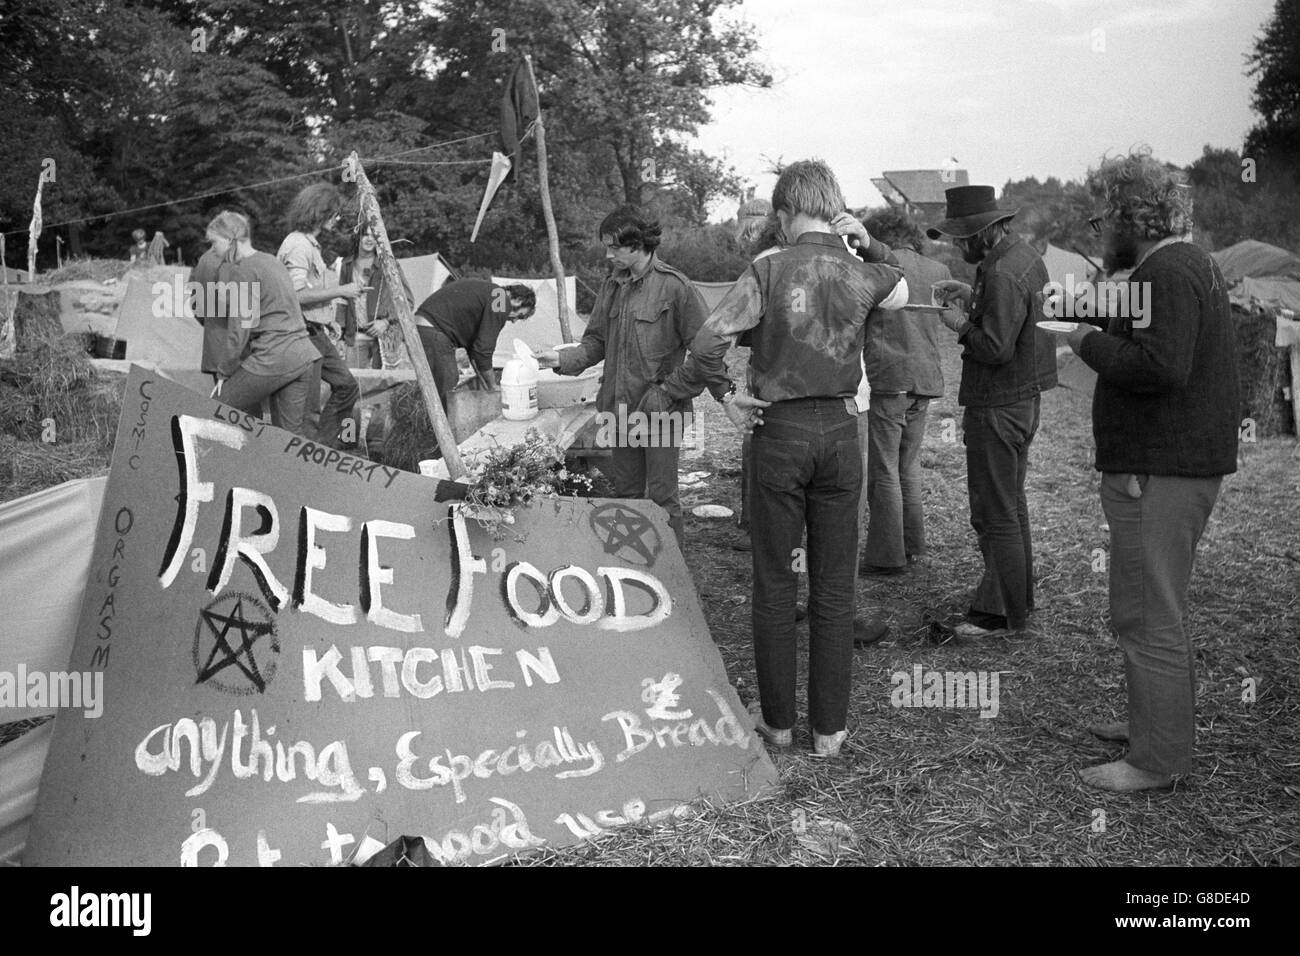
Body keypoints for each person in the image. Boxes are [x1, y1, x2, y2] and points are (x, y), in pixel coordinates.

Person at [655, 160, 908, 757]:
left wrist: (727, 393)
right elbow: (900, 289)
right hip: (845, 432)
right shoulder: (864, 270)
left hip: (781, 430)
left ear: (786, 210)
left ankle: (778, 723)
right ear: (834, 207)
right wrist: (860, 238)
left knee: (774, 580)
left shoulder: (767, 269)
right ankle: (830, 732)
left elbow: (708, 338)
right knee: (835, 585)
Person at [1065, 149, 1239, 791]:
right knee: (1153, 605)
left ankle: (1156, 760)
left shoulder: (1168, 269)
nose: (1098, 230)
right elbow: (1151, 340)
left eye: (1102, 218)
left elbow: (1163, 366)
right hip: (1171, 465)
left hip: (1158, 468)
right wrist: (1096, 315)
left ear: (1131, 215)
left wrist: (1082, 342)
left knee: (1146, 612)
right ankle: (1154, 724)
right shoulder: (1180, 264)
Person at [537, 206, 708, 546]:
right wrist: (561, 358)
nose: (607, 254)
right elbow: (596, 341)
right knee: (628, 493)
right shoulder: (612, 285)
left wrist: (668, 391)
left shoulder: (676, 288)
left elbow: (707, 351)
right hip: (619, 411)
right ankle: (635, 570)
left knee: (662, 497)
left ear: (638, 244)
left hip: (660, 413)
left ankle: (673, 577)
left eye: (614, 247)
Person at [930, 185, 1058, 639]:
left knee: (993, 513)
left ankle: (1003, 617)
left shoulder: (1002, 272)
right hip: (1024, 401)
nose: (956, 246)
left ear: (985, 231)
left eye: (961, 238)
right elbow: (1017, 315)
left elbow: (997, 347)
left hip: (998, 405)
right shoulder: (1022, 257)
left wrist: (961, 324)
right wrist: (971, 293)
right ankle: (1014, 602)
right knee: (1012, 506)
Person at [859, 206, 950, 574]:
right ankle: (913, 545)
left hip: (890, 377)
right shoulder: (939, 271)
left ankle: (886, 557)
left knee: (884, 469)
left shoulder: (879, 266)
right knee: (908, 467)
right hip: (925, 379)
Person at [206, 211, 320, 435]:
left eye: (214, 243)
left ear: (230, 240)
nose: (213, 250)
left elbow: (239, 329)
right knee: (289, 441)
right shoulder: (271, 261)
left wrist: (223, 373)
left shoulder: (244, 270)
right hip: (305, 355)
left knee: (213, 409)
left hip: (274, 356)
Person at [278, 183, 364, 449]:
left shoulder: (309, 245)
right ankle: (309, 454)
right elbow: (297, 295)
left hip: (315, 330)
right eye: (334, 213)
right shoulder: (298, 246)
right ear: (319, 212)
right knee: (308, 407)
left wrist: (327, 320)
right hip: (301, 333)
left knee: (347, 385)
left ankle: (322, 447)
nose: (337, 219)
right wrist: (344, 290)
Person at [413, 279, 537, 409]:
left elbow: (475, 350)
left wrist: (486, 384)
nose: (514, 320)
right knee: (448, 384)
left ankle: (442, 423)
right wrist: (492, 386)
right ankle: (447, 427)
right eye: (520, 316)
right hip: (433, 331)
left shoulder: (489, 293)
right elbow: (484, 348)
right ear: (518, 300)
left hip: (424, 328)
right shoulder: (501, 300)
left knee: (442, 384)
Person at [336, 226, 415, 370]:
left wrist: (385, 322)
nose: (369, 239)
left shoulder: (388, 263)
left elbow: (407, 301)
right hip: (355, 337)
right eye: (365, 235)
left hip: (385, 337)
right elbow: (342, 302)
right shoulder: (346, 265)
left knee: (387, 386)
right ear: (358, 237)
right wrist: (340, 335)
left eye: (374, 235)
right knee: (353, 386)